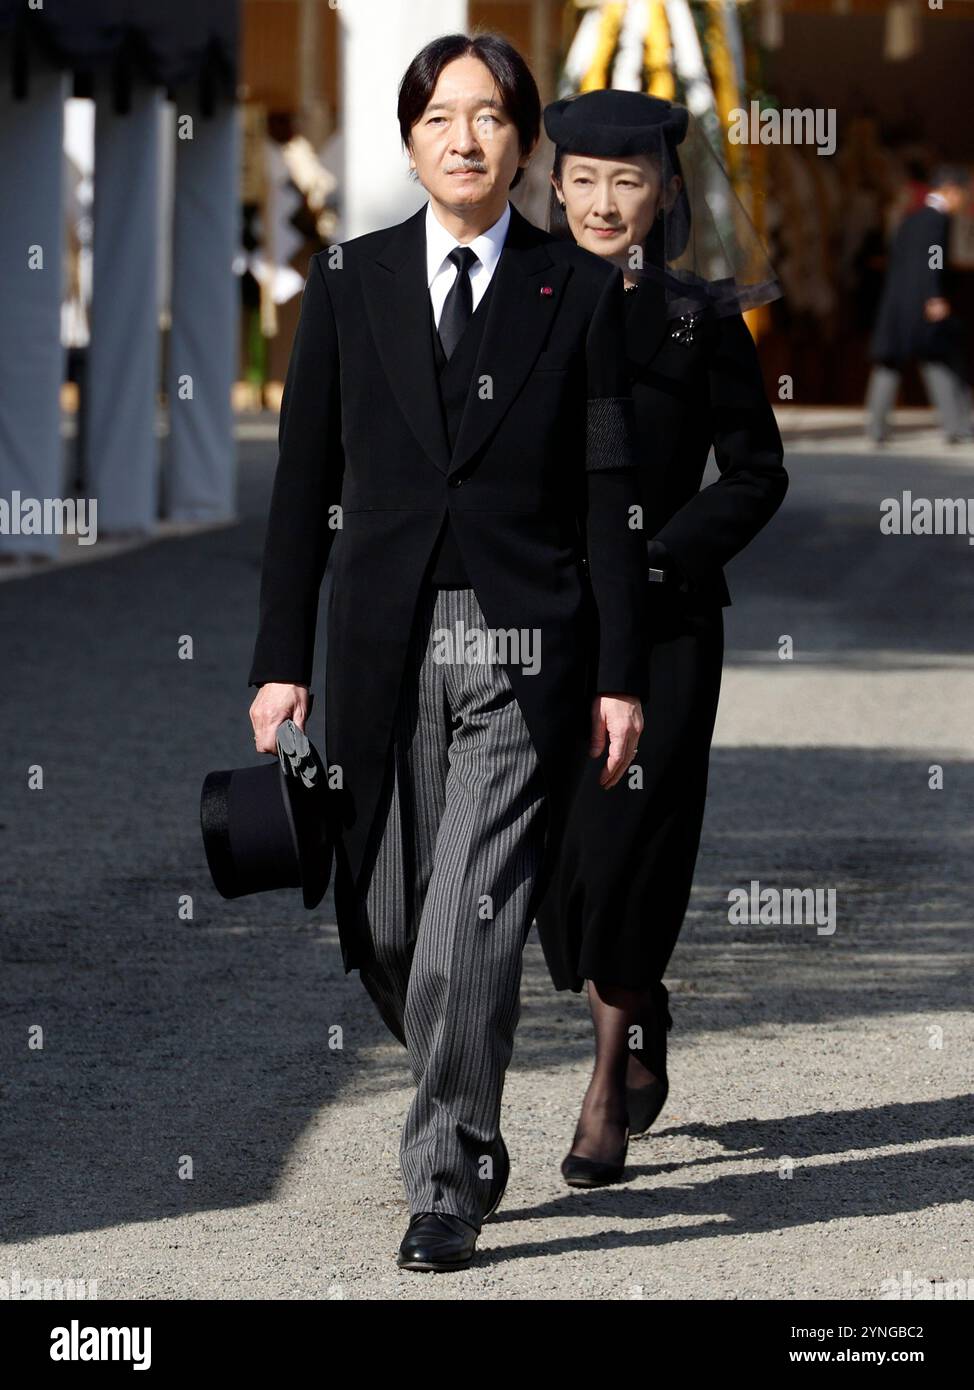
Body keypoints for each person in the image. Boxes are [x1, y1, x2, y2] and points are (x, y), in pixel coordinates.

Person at [247, 35, 650, 1270]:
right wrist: (279, 657)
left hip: (524, 647)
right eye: (441, 117)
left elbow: (607, 492)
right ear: (409, 137)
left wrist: (620, 669)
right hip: (377, 641)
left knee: (470, 914)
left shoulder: (574, 292)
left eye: (489, 118)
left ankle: (449, 1170)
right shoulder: (349, 281)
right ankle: (450, 1057)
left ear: (523, 141)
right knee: (384, 925)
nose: (465, 139)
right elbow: (301, 481)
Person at [533, 89, 788, 1187]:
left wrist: (662, 554)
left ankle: (603, 1084)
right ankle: (638, 1003)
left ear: (664, 192)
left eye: (624, 181)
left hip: (668, 621)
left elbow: (757, 469)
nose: (601, 201)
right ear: (552, 185)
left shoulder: (695, 318)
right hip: (546, 620)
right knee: (563, 868)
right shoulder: (519, 306)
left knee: (632, 850)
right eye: (581, 179)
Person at [866, 165, 973, 445]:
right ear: (951, 190)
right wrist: (934, 295)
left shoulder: (910, 219)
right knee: (937, 358)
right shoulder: (937, 220)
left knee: (892, 362)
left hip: (898, 301)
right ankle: (955, 424)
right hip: (921, 301)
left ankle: (877, 427)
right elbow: (933, 259)